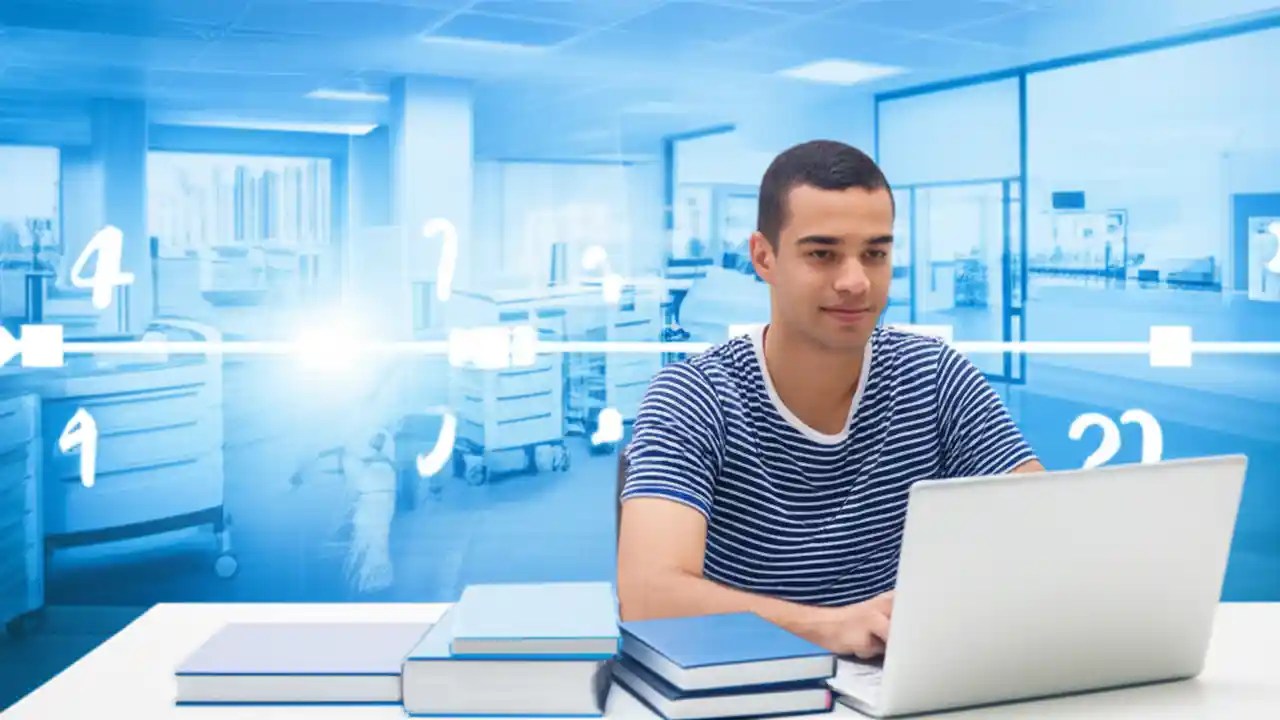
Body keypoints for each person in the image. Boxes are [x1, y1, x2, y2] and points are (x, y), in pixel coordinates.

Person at [616, 139, 1045, 661]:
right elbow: (649, 596)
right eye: (822, 254)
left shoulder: (933, 376)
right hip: (750, 685)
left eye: (875, 254)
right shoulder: (694, 396)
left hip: (898, 684)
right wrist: (831, 627)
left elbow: (1046, 533)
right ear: (764, 257)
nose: (855, 281)